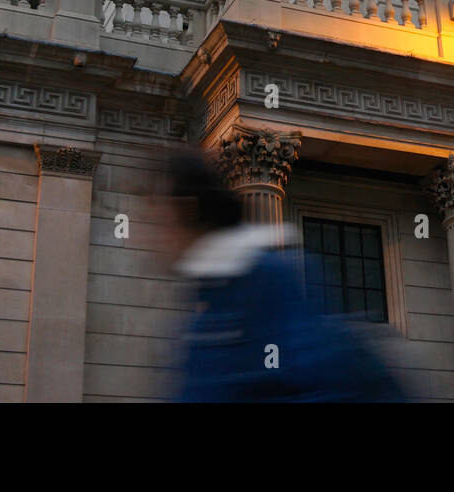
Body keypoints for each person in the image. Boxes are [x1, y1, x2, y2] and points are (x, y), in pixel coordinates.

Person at [161, 151, 405, 402]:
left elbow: (311, 380)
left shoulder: (263, 279)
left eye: (154, 217)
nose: (142, 234)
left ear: (185, 210)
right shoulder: (209, 303)